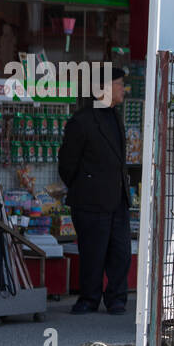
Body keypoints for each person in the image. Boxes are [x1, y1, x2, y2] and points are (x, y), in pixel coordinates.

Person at [58, 66, 132, 315]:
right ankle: (88, 298)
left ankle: (117, 298)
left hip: (117, 199)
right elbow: (67, 164)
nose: (123, 89)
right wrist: (85, 186)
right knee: (92, 252)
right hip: (90, 200)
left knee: (121, 252)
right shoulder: (82, 121)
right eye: (119, 84)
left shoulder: (115, 117)